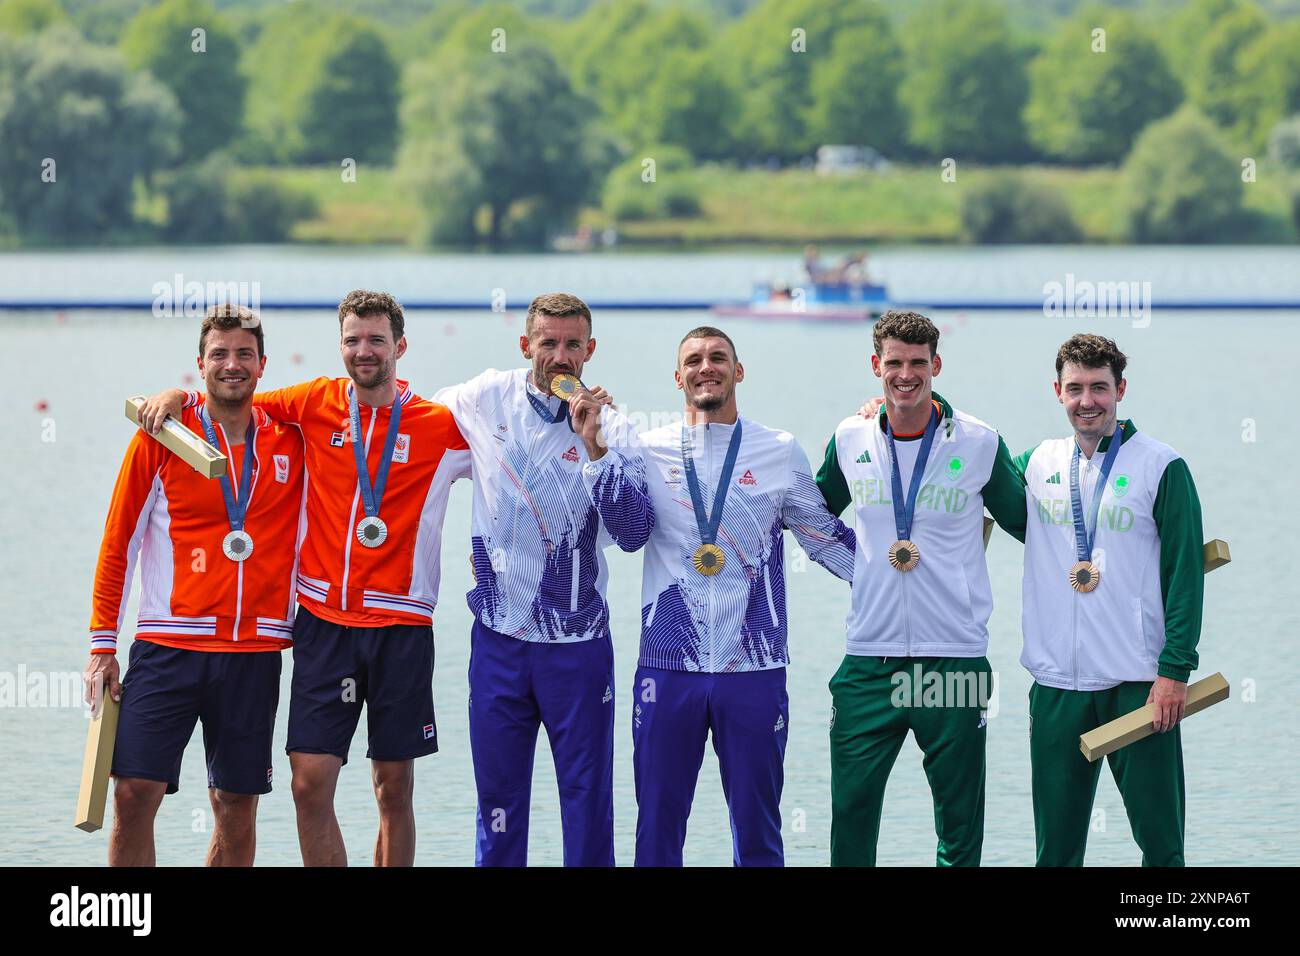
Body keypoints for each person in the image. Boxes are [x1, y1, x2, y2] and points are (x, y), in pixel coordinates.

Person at [138, 290, 470, 866]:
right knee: (308, 782)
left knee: (394, 787)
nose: (363, 352)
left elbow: (510, 461)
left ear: (401, 346)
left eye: (376, 340)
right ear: (339, 345)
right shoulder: (314, 401)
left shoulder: (438, 425)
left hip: (402, 628)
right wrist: (181, 395)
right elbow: (234, 397)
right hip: (324, 628)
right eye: (352, 340)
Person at [574, 326, 857, 866]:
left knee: (757, 833)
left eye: (718, 358)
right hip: (667, 668)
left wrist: (907, 579)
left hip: (755, 669)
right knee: (657, 830)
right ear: (677, 377)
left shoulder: (777, 450)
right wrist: (597, 451)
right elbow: (630, 535)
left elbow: (826, 541)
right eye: (695, 360)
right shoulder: (646, 450)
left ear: (738, 371)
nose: (707, 367)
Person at [85, 305, 303, 866]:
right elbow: (119, 545)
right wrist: (102, 647)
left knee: (235, 803)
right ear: (199, 365)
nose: (232, 365)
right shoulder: (162, 437)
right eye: (219, 355)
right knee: (134, 793)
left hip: (252, 652)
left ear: (262, 366)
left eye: (244, 355)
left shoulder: (292, 440)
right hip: (168, 645)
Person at [815, 309, 1027, 866]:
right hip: (869, 663)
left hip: (953, 661)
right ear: (875, 366)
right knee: (852, 822)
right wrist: (858, 569)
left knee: (959, 831)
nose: (905, 375)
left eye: (917, 363)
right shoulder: (849, 436)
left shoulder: (980, 442)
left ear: (936, 364)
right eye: (894, 363)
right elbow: (810, 516)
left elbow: (1030, 523)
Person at [432, 293, 622, 867]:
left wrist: (597, 447)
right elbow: (403, 414)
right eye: (548, 343)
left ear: (590, 351)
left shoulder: (609, 422)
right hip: (498, 641)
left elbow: (632, 531)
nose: (559, 356)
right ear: (525, 346)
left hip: (578, 647)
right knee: (499, 800)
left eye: (572, 345)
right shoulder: (484, 396)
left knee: (587, 799)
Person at [1015, 333, 1203, 866]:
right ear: (1057, 392)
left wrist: (1174, 672)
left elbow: (1185, 576)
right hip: (1056, 689)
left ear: (1121, 389)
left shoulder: (1162, 466)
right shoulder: (1035, 463)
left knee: (1162, 847)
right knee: (1055, 854)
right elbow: (964, 462)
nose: (1087, 401)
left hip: (1140, 685)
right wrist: (925, 408)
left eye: (1100, 387)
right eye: (1075, 388)